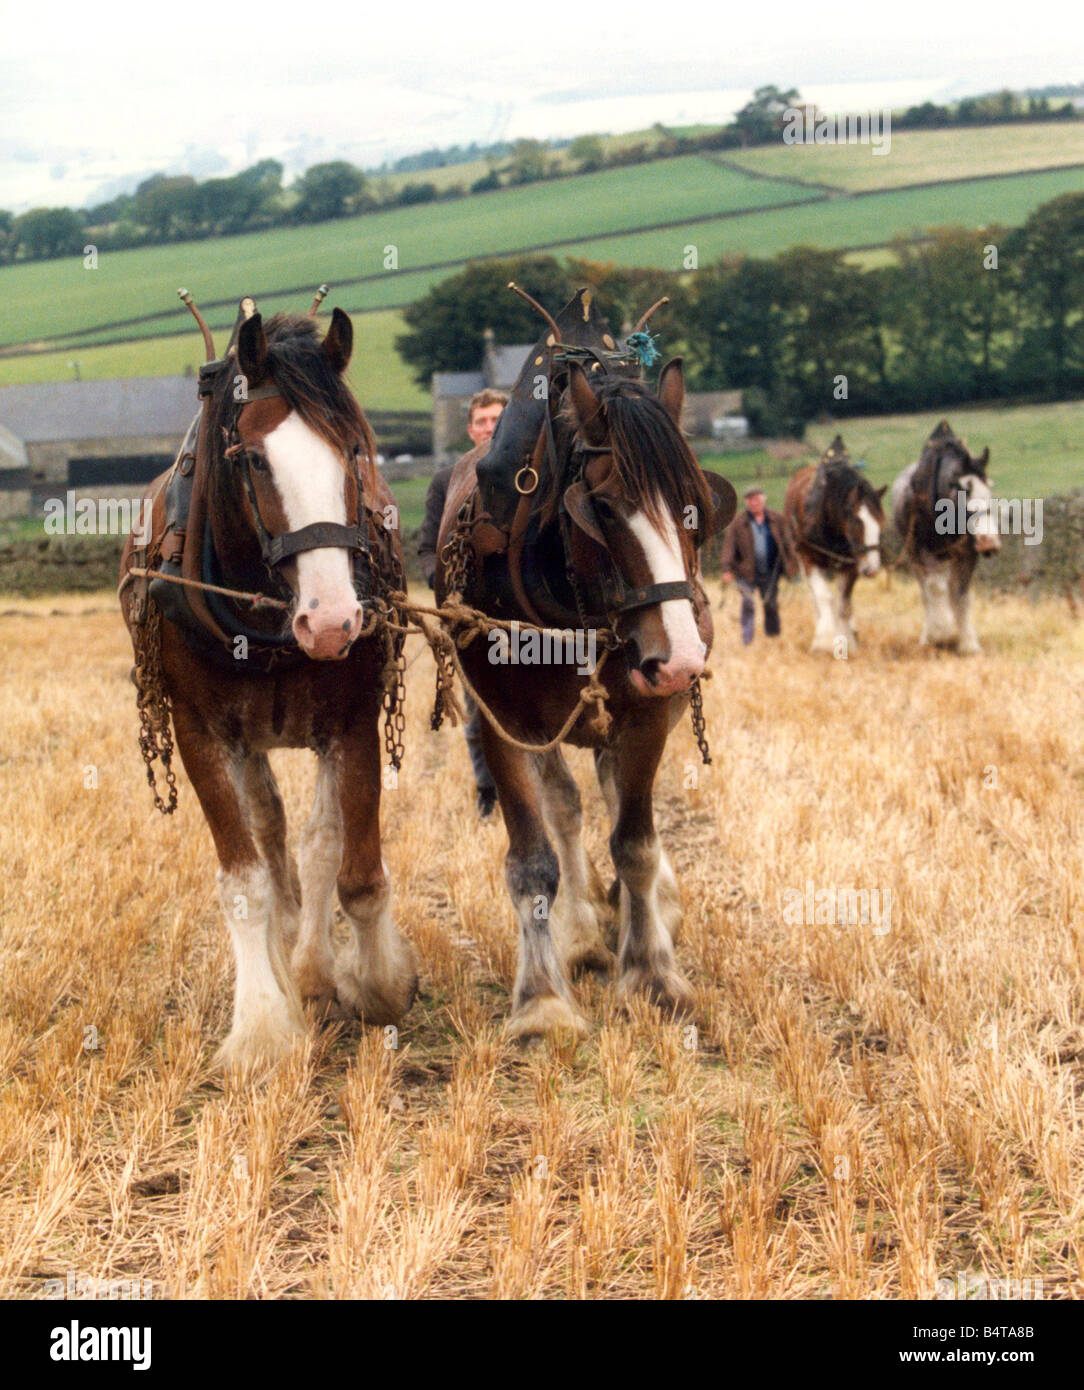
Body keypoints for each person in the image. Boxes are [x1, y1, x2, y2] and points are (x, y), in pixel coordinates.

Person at [418, 389, 509, 819]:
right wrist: (445, 589)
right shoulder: (445, 481)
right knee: (479, 713)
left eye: (497, 419)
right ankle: (488, 791)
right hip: (473, 619)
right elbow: (426, 547)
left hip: (528, 619)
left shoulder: (531, 477)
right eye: (482, 422)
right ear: (471, 430)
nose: (490, 428)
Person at [719, 486, 796, 644]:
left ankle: (773, 637)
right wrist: (727, 569)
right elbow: (729, 547)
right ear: (746, 502)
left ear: (763, 499)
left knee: (771, 604)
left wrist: (792, 564)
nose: (754, 503)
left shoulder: (777, 519)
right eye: (750, 500)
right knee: (748, 604)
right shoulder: (737, 523)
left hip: (771, 571)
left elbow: (789, 543)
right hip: (745, 572)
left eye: (757, 499)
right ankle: (747, 640)